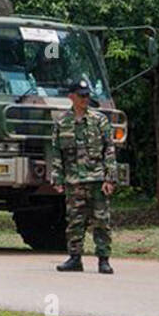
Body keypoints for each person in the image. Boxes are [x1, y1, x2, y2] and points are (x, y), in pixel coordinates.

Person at [51, 78, 116, 274]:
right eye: (81, 96)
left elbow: (109, 150)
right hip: (74, 180)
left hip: (97, 179)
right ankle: (75, 258)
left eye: (87, 95)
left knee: (101, 221)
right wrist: (57, 178)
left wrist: (109, 178)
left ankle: (103, 259)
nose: (85, 99)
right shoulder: (62, 123)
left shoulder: (99, 120)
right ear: (71, 97)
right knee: (75, 221)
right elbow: (56, 153)